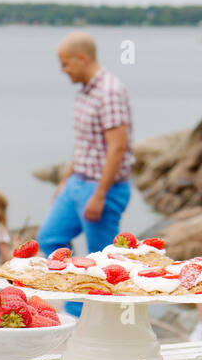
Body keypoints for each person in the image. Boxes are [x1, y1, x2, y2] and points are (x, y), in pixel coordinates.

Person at [37, 31, 134, 258]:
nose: (63, 70)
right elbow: (86, 143)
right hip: (76, 183)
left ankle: (83, 291)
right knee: (50, 237)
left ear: (82, 58)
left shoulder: (110, 91)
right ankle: (72, 289)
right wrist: (66, 181)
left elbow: (118, 147)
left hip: (103, 187)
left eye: (65, 64)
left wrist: (100, 195)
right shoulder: (85, 91)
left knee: (102, 258)